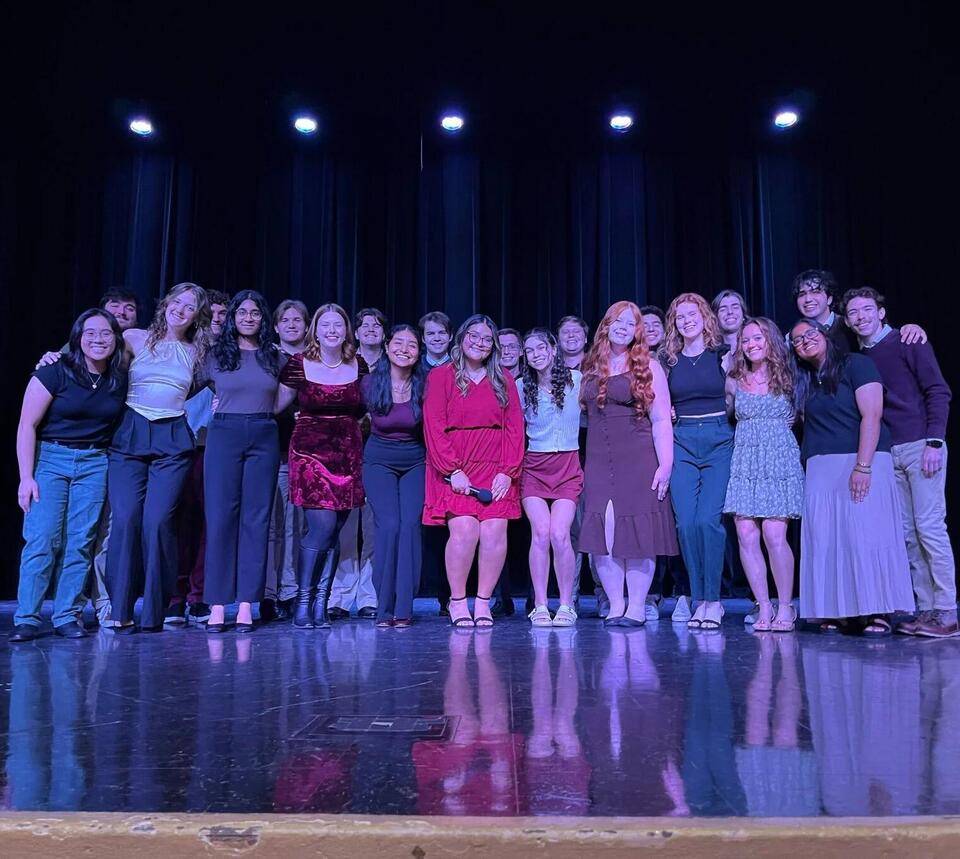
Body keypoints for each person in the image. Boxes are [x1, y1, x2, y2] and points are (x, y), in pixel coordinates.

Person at [843, 287, 956, 637]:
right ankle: (927, 610)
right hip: (888, 454)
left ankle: (947, 611)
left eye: (867, 309)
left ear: (881, 312)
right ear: (846, 321)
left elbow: (937, 390)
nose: (861, 317)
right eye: (853, 312)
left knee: (930, 527)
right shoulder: (858, 357)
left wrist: (934, 441)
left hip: (920, 445)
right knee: (908, 534)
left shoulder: (908, 341)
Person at [790, 318, 914, 634]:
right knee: (828, 540)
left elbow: (872, 415)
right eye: (797, 340)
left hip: (861, 459)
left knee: (867, 537)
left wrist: (863, 466)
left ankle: (877, 610)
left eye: (810, 334)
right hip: (820, 466)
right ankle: (836, 610)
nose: (805, 341)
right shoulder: (805, 379)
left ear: (825, 334)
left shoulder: (856, 364)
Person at [11, 310, 127, 642]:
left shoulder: (119, 379)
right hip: (51, 459)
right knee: (43, 538)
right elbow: (27, 425)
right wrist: (26, 477)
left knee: (80, 542)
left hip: (95, 461)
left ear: (115, 339)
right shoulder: (54, 371)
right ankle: (27, 617)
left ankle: (66, 614)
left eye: (106, 334)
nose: (98, 340)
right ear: (77, 337)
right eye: (90, 333)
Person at [578, 301, 678, 627]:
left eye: (630, 323)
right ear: (606, 325)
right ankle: (616, 604)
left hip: (638, 458)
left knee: (637, 532)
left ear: (637, 331)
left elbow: (661, 419)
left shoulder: (649, 366)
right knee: (604, 532)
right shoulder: (592, 365)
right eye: (617, 321)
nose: (623, 327)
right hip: (598, 459)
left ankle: (636, 606)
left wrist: (665, 464)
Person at [422, 314, 525, 627]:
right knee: (465, 530)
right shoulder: (441, 376)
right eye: (474, 336)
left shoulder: (503, 378)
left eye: (486, 339)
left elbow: (515, 428)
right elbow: (434, 426)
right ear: (462, 338)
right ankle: (457, 601)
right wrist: (452, 470)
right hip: (457, 467)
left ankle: (482, 602)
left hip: (495, 467)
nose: (479, 343)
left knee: (494, 531)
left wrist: (507, 471)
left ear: (493, 345)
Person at [199, 291, 284, 633]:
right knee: (221, 517)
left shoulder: (274, 356)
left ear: (263, 319)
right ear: (232, 317)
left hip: (264, 433)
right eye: (242, 312)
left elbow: (288, 393)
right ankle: (218, 604)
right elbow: (185, 386)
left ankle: (248, 603)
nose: (249, 318)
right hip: (224, 433)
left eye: (255, 313)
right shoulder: (216, 355)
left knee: (256, 518)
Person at [276, 303, 365, 629]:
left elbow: (368, 405)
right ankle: (303, 602)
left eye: (337, 325)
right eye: (325, 324)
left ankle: (320, 605)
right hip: (309, 453)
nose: (331, 330)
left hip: (347, 453)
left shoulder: (359, 364)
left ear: (346, 330)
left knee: (335, 531)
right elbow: (275, 405)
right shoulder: (299, 364)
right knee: (322, 527)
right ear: (315, 330)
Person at [723, 318, 804, 632]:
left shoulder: (790, 376)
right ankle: (764, 605)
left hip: (779, 460)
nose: (751, 345)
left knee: (773, 535)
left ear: (771, 339)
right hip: (745, 460)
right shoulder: (734, 379)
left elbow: (804, 412)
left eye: (757, 338)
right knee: (745, 534)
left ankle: (785, 605)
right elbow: (725, 413)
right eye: (745, 340)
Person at [661, 293, 733, 631]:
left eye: (693, 314)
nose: (687, 321)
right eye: (680, 317)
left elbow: (736, 396)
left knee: (708, 521)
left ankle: (713, 600)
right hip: (683, 440)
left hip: (718, 438)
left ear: (705, 318)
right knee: (686, 524)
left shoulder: (723, 355)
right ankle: (698, 598)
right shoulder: (669, 360)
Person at [166, 288, 231, 626]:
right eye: (211, 313)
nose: (217, 319)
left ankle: (200, 596)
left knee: (210, 524)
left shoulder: (231, 353)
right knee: (180, 523)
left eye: (223, 314)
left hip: (215, 447)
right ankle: (175, 597)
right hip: (180, 444)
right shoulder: (184, 349)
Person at [360, 324, 427, 627]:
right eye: (398, 343)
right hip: (379, 462)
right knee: (389, 526)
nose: (404, 349)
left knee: (410, 527)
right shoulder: (369, 383)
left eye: (411, 345)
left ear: (418, 352)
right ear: (387, 347)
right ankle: (384, 607)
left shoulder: (425, 385)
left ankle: (404, 608)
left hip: (415, 461)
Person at [517, 328, 583, 626]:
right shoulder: (521, 386)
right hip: (535, 467)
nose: (536, 354)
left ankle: (567, 604)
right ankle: (541, 605)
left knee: (560, 534)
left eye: (541, 348)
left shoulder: (577, 381)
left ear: (553, 349)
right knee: (541, 533)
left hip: (567, 466)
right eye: (529, 350)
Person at [86, 287, 141, 626]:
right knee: (83, 532)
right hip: (86, 451)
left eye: (129, 308)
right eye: (115, 307)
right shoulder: (84, 346)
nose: (122, 313)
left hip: (123, 452)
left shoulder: (141, 348)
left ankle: (106, 601)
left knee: (112, 530)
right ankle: (74, 604)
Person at [328, 308, 386, 620]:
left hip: (379, 451)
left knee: (374, 527)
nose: (370, 329)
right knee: (346, 527)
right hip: (345, 451)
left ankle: (369, 594)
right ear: (356, 331)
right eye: (364, 325)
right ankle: (340, 594)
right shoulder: (345, 361)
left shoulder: (392, 363)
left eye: (377, 325)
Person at [640, 304, 691, 622]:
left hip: (680, 444)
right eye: (643, 324)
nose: (649, 329)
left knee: (679, 520)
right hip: (646, 448)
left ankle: (684, 592)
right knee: (653, 521)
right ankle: (652, 593)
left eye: (655, 324)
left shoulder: (677, 359)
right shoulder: (632, 362)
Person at [265, 299, 310, 620]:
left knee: (297, 528)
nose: (292, 325)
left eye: (297, 320)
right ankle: (268, 593)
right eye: (286, 320)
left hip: (307, 456)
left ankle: (291, 590)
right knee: (273, 527)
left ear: (307, 326)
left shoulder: (315, 359)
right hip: (274, 452)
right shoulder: (266, 357)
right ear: (276, 326)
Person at [556, 314, 603, 616]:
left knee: (597, 526)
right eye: (566, 332)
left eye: (577, 332)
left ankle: (604, 593)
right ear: (558, 339)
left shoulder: (598, 366)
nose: (571, 336)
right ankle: (568, 595)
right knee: (569, 529)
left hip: (595, 453)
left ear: (586, 338)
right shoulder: (551, 370)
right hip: (564, 457)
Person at [792, 269, 926, 352]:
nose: (808, 299)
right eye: (802, 294)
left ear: (829, 299)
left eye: (815, 292)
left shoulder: (851, 324)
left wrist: (910, 328)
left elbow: (883, 338)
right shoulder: (795, 336)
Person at [418, 310, 453, 613]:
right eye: (431, 333)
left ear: (450, 336)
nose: (437, 338)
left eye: (441, 333)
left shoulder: (459, 368)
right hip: (419, 453)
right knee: (426, 527)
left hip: (452, 455)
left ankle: (450, 596)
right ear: (423, 338)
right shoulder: (415, 369)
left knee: (451, 526)